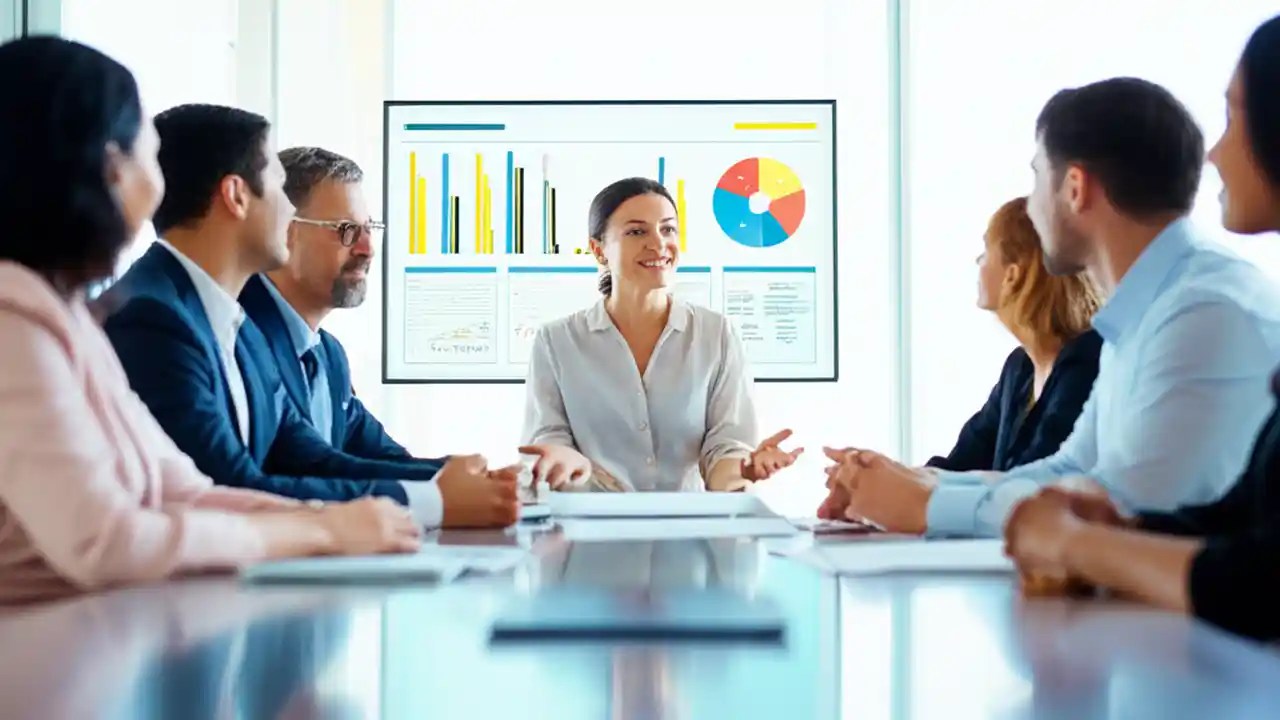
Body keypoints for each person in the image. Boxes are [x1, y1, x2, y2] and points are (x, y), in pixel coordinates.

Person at [0, 37, 420, 602]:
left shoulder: (63, 315)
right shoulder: (16, 324)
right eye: (147, 153)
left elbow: (187, 489)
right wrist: (318, 530)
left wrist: (331, 523)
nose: (161, 183)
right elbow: (106, 540)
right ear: (107, 166)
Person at [820, 76, 1280, 538]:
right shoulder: (1146, 312)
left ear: (1076, 187)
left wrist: (925, 505)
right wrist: (915, 483)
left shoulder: (1203, 312)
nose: (1033, 206)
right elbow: (1070, 468)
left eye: (1038, 175)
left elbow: (1122, 506)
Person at [98, 104, 518, 529]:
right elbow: (228, 488)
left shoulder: (234, 324)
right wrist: (431, 502)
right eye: (280, 190)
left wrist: (472, 485)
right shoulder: (152, 318)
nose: (287, 214)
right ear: (236, 195)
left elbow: (308, 457)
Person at [1004, 14, 1280, 641]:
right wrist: (1114, 531)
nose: (1215, 154)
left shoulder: (1211, 309)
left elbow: (1260, 578)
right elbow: (1240, 524)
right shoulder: (1140, 317)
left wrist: (1079, 542)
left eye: (1237, 118)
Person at [521, 177, 801, 492]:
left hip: (687, 531)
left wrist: (743, 469)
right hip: (589, 527)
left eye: (667, 229)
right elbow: (547, 441)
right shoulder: (556, 341)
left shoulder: (715, 334)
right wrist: (562, 461)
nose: (658, 244)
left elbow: (724, 451)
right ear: (599, 251)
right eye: (636, 231)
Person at [238, 146, 442, 464]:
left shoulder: (329, 356)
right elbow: (303, 472)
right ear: (285, 232)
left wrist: (486, 480)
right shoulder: (237, 337)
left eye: (369, 229)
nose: (367, 248)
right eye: (347, 230)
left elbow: (384, 459)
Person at [924, 196, 1102, 473]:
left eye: (985, 251)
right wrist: (879, 479)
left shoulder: (1088, 364)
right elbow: (960, 465)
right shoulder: (1019, 368)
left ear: (1013, 274)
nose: (978, 261)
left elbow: (1027, 488)